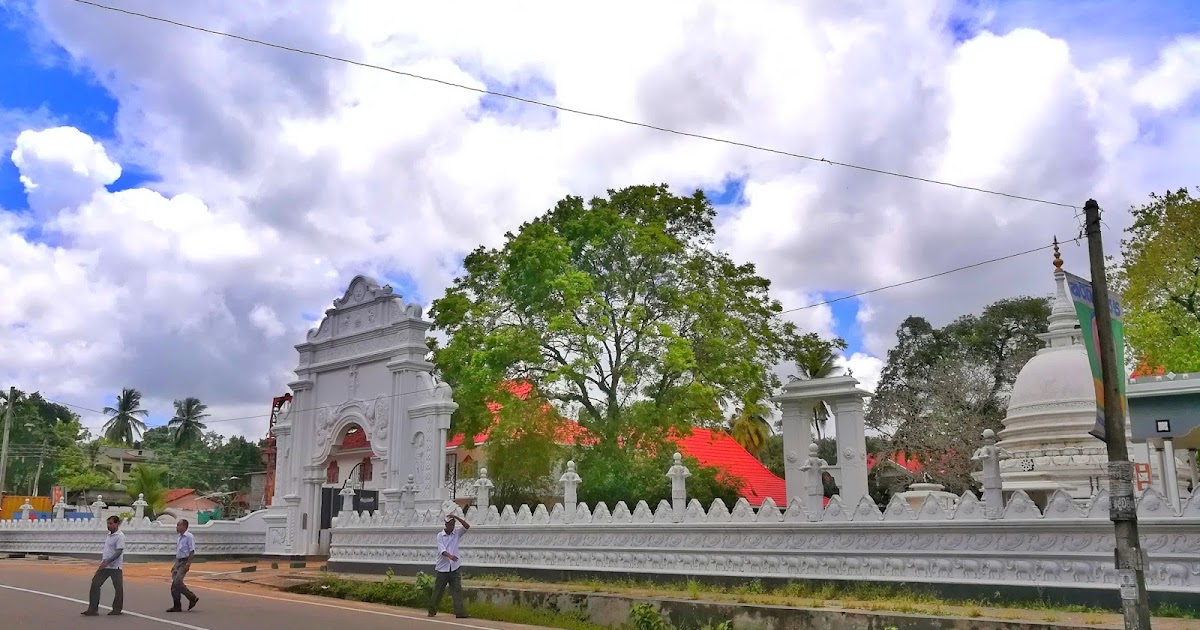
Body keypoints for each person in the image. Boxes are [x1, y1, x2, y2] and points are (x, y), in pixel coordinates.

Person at [81, 515, 125, 616]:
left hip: (115, 567)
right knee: (95, 584)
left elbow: (119, 551)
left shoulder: (120, 536)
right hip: (105, 565)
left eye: (111, 523)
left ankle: (117, 609)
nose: (108, 525)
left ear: (117, 524)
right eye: (108, 523)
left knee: (118, 588)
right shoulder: (109, 535)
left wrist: (108, 561)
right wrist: (105, 562)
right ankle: (92, 609)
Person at [428, 513, 469, 618]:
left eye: (453, 524)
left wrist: (456, 517)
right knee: (438, 591)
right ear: (446, 525)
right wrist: (450, 556)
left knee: (457, 591)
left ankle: (459, 612)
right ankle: (432, 611)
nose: (452, 527)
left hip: (454, 568)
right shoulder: (440, 536)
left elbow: (466, 526)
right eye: (450, 525)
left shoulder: (456, 534)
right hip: (443, 569)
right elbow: (442, 550)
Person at [167, 519, 199, 612]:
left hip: (185, 561)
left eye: (178, 525)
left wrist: (188, 564)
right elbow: (179, 552)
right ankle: (177, 605)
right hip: (178, 561)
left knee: (177, 582)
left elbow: (191, 551)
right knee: (174, 585)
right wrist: (175, 565)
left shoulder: (189, 537)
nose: (177, 527)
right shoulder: (179, 537)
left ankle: (192, 597)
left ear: (184, 526)